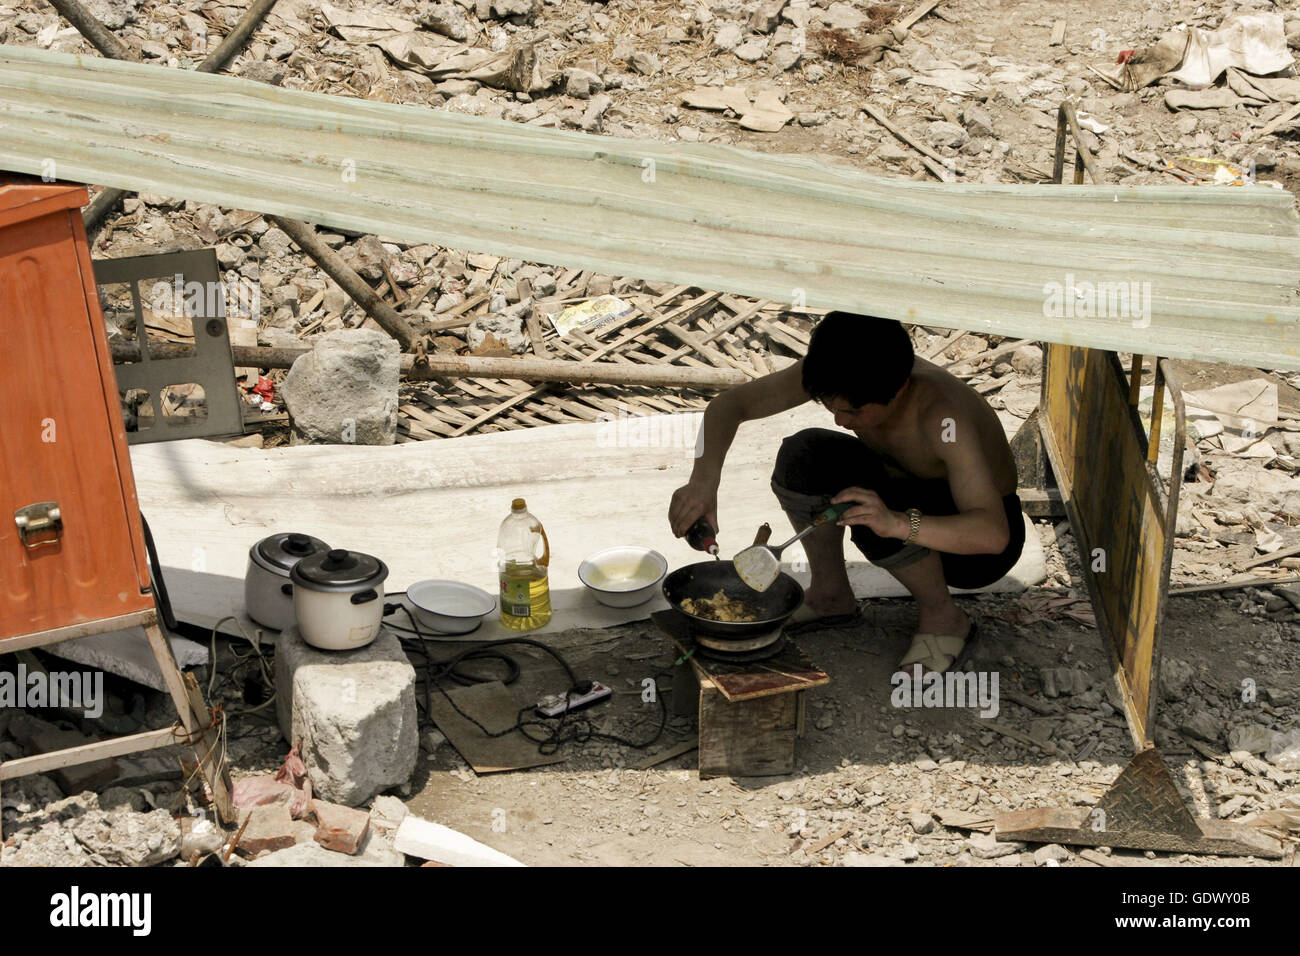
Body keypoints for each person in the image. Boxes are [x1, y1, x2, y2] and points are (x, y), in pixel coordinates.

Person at [668, 311, 1024, 674]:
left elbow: (993, 535)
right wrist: (702, 483)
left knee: (869, 505)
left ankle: (943, 617)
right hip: (902, 493)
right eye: (829, 406)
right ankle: (830, 596)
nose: (840, 420)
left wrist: (898, 524)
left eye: (853, 411)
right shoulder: (840, 369)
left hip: (975, 549)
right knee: (804, 455)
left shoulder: (944, 416)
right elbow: (729, 407)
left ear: (899, 390)